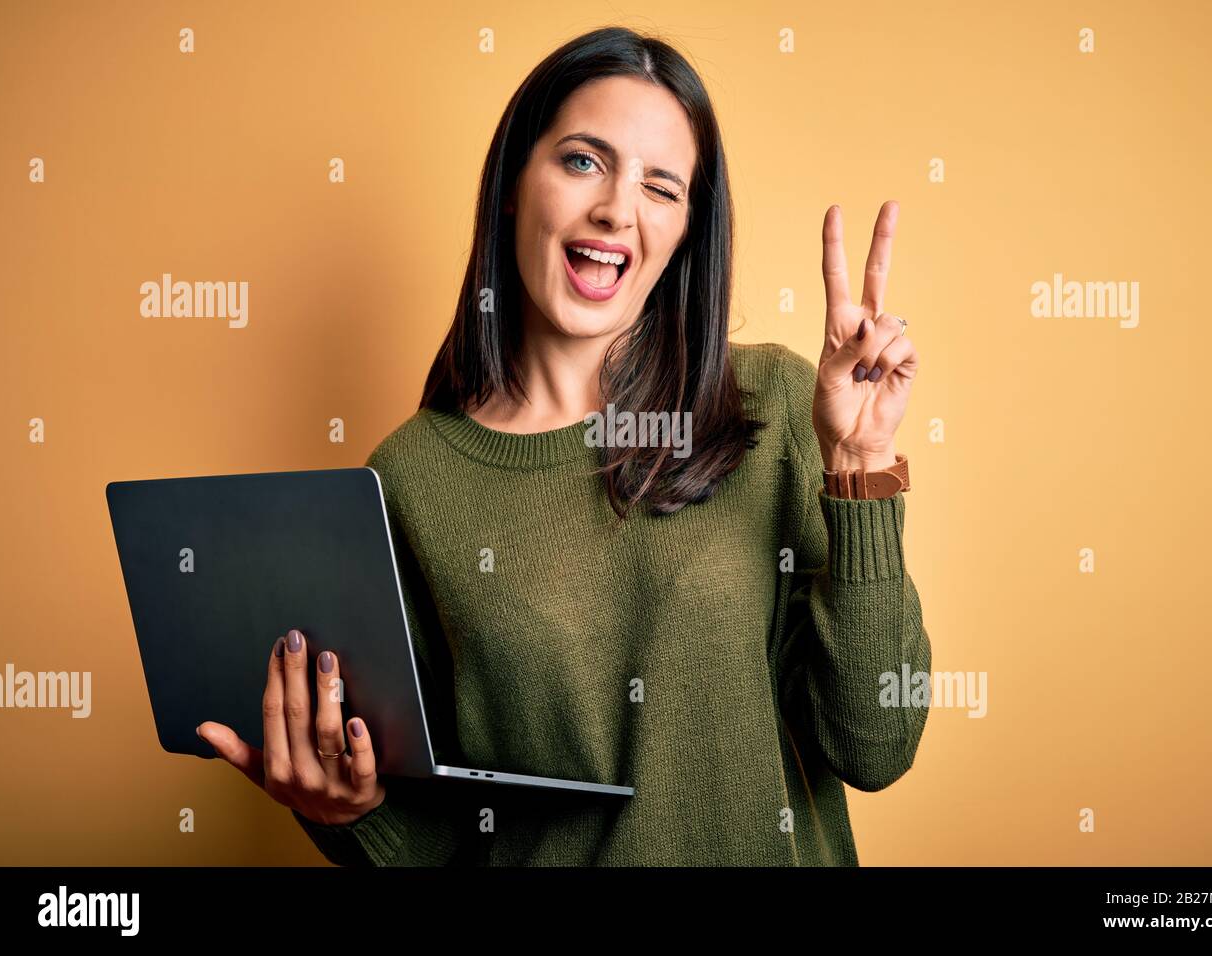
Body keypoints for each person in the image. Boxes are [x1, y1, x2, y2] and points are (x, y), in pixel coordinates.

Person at [197, 25, 931, 866]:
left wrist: (861, 469)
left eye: (662, 186)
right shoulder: (409, 478)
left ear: (688, 228)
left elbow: (875, 746)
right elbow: (447, 838)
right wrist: (347, 813)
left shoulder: (778, 405)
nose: (617, 209)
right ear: (515, 182)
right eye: (584, 160)